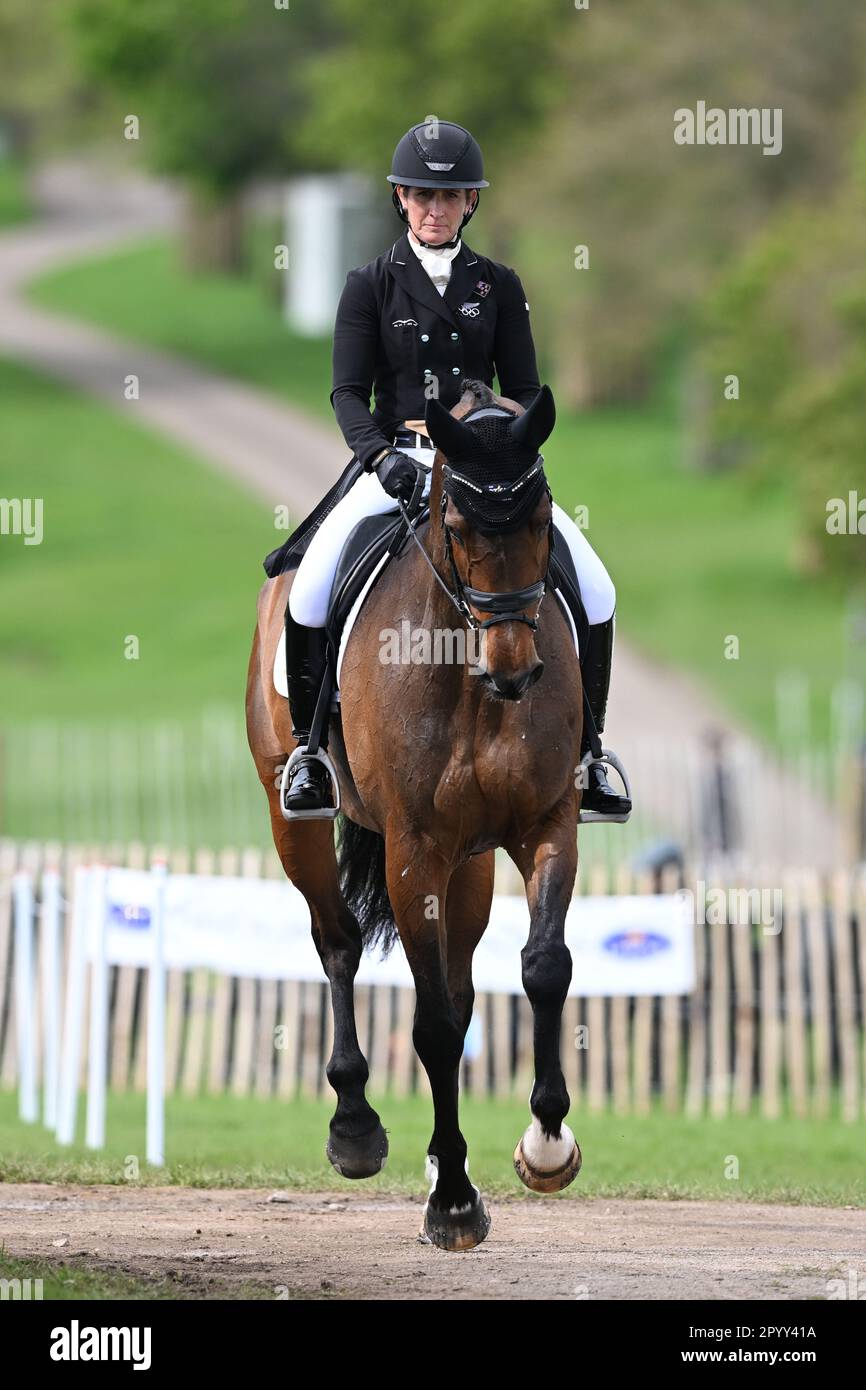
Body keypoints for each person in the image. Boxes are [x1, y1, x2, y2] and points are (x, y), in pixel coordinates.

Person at [281, 119, 631, 821]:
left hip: (486, 470)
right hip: (399, 467)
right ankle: (310, 754)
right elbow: (348, 394)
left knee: (596, 586)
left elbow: (530, 392)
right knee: (309, 590)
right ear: (401, 201)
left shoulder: (497, 285)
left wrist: (501, 424)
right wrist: (380, 459)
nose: (433, 210)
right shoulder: (370, 285)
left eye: (449, 197)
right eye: (420, 196)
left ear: (471, 202)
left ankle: (590, 756)